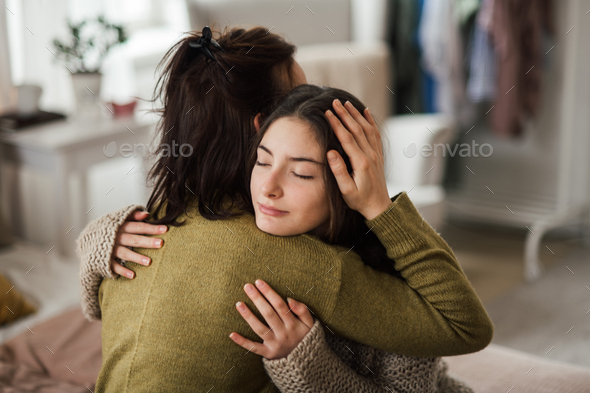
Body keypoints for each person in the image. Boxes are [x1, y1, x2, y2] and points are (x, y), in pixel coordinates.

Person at [77, 27, 492, 393]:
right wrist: (381, 207)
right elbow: (465, 326)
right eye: (295, 95)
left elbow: (94, 308)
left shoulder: (153, 216)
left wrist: (91, 242)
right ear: (263, 124)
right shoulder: (288, 257)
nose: (310, 104)